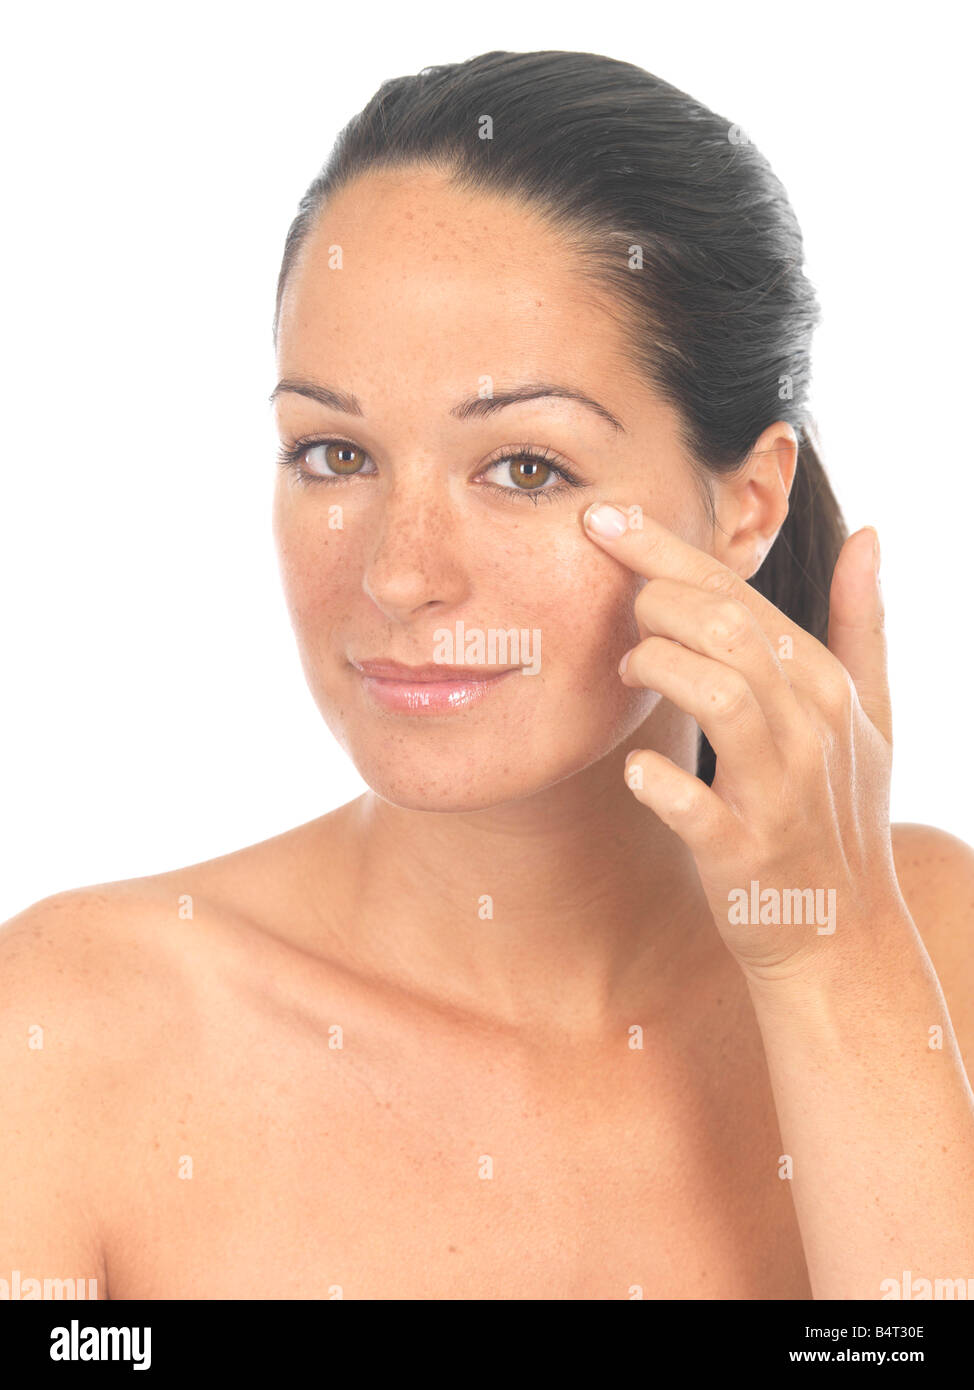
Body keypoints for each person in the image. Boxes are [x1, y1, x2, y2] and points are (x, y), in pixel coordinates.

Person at [3, 50, 973, 1301]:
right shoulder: (67, 1038)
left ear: (746, 505)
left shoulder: (929, 948)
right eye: (334, 452)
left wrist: (830, 957)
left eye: (524, 467)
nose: (400, 576)